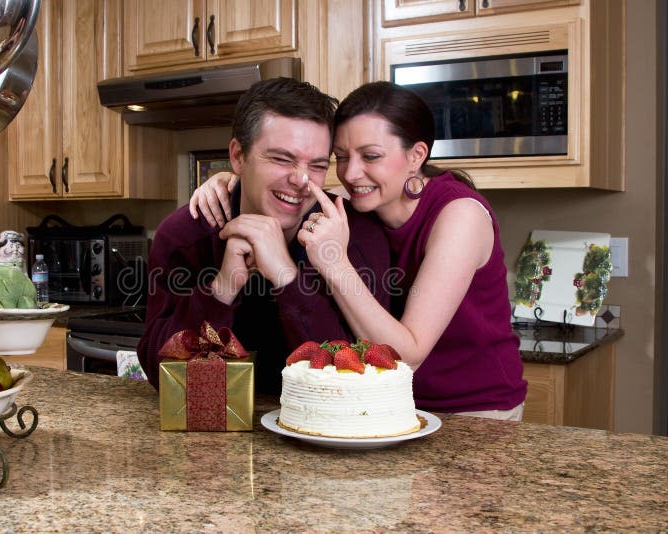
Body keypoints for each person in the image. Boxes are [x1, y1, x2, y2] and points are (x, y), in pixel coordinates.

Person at [190, 81, 527, 420]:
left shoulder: (460, 216)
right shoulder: (362, 202)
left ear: (416, 156)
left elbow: (408, 357)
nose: (350, 174)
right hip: (389, 408)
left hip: (474, 411)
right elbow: (285, 185)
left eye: (371, 156)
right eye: (341, 157)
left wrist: (333, 262)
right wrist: (229, 181)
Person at [136, 77, 391, 394]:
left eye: (317, 165)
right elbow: (161, 375)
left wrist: (286, 276)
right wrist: (222, 288)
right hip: (214, 424)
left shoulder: (357, 234)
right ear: (237, 157)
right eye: (282, 159)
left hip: (319, 424)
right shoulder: (185, 234)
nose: (300, 180)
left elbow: (356, 383)